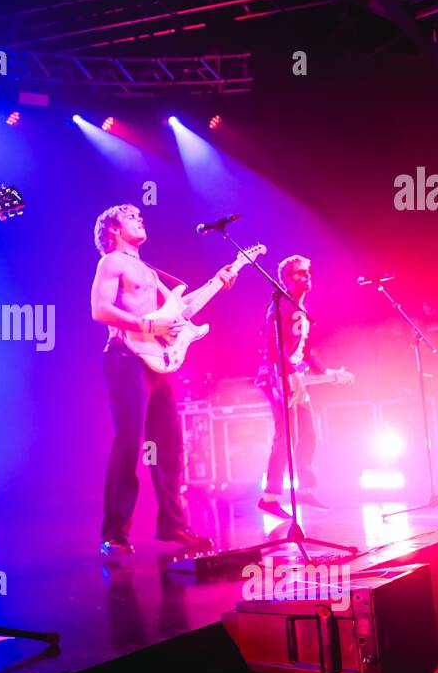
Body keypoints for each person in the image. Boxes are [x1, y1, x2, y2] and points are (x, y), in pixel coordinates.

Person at [89, 203, 236, 556]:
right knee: (129, 443)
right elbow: (100, 310)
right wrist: (147, 326)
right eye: (131, 217)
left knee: (169, 446)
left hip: (157, 362)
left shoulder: (148, 271)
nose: (140, 220)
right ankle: (114, 533)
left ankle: (174, 525)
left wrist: (217, 283)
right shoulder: (112, 262)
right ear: (113, 229)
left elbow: (174, 315)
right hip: (125, 359)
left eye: (140, 216)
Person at [254, 254, 351, 519]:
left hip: (295, 376)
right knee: (287, 436)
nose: (306, 276)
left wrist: (327, 371)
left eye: (308, 272)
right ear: (286, 278)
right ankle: (269, 497)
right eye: (299, 273)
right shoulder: (279, 306)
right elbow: (274, 348)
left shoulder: (302, 310)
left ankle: (306, 488)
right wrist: (291, 374)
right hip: (277, 375)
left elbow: (306, 350)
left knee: (308, 434)